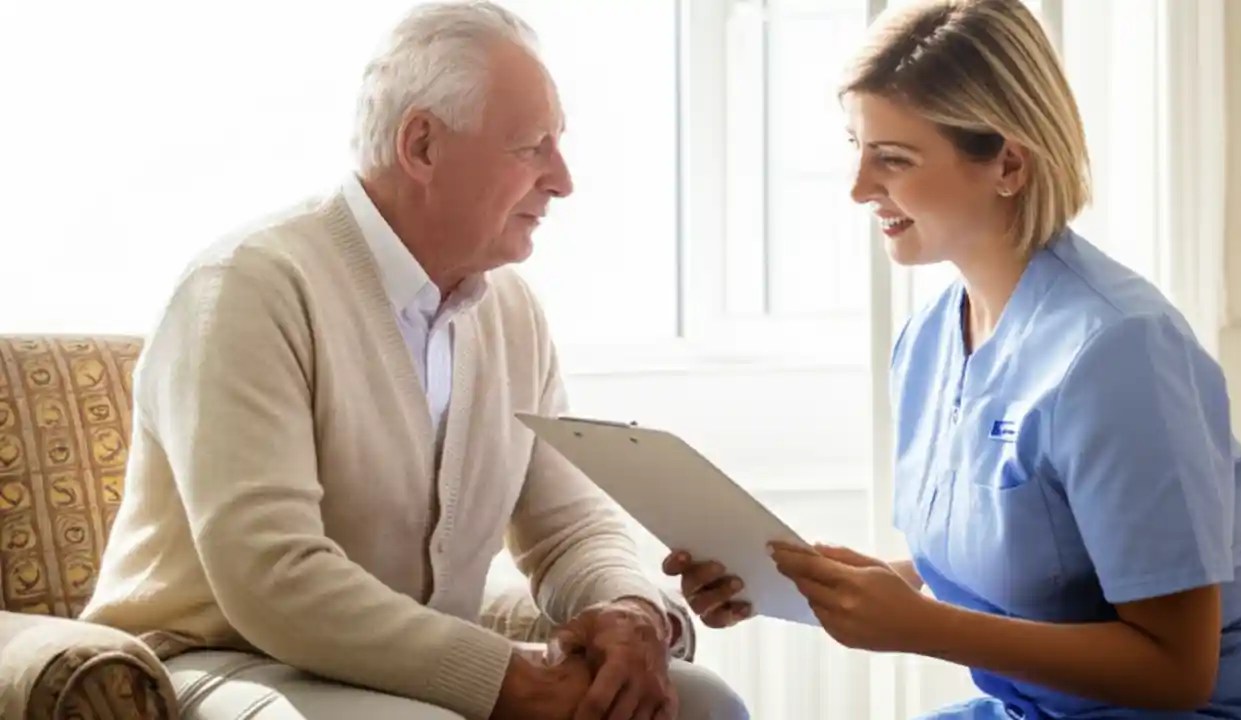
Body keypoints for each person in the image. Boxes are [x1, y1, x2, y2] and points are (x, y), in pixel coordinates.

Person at [80, 3, 747, 719]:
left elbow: (570, 528)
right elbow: (273, 578)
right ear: (422, 145)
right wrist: (509, 682)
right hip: (222, 657)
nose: (563, 179)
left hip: (389, 669)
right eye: (532, 148)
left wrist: (631, 613)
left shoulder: (513, 311)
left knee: (701, 704)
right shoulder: (248, 288)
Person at [664, 0, 1241, 717]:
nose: (859, 187)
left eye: (892, 158)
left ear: (1008, 164)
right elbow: (1030, 566)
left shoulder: (1120, 352)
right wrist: (825, 588)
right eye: (856, 148)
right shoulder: (929, 340)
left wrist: (919, 627)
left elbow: (1176, 671)